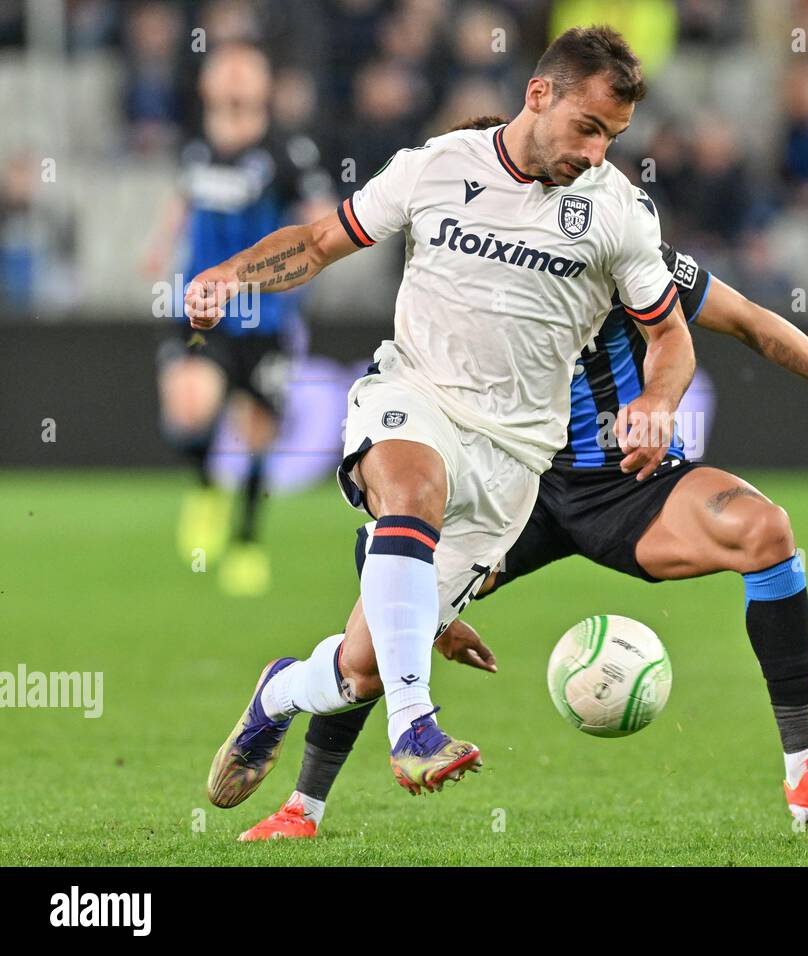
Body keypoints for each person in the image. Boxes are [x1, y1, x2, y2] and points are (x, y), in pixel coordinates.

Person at [235, 120, 808, 839]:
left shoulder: (618, 245)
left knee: (765, 530)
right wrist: (437, 616)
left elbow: (753, 323)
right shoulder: (468, 267)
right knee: (382, 640)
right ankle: (304, 807)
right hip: (507, 477)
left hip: (619, 485)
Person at [189, 27, 695, 808]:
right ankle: (416, 727)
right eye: (588, 128)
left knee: (357, 669)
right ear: (540, 96)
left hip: (515, 460)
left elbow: (669, 336)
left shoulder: (618, 213)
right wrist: (233, 274)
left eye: (614, 137)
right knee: (413, 486)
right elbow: (321, 241)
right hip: (414, 392)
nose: (597, 153)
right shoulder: (436, 167)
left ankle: (279, 695)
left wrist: (657, 402)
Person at [150, 42, 331, 596]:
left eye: (242, 70)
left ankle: (248, 542)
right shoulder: (198, 148)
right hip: (203, 308)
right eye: (221, 68)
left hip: (265, 314)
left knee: (257, 430)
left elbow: (320, 222)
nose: (230, 77)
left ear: (263, 87)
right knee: (187, 404)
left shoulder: (284, 153)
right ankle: (206, 485)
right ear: (206, 85)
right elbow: (184, 200)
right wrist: (160, 247)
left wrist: (301, 256)